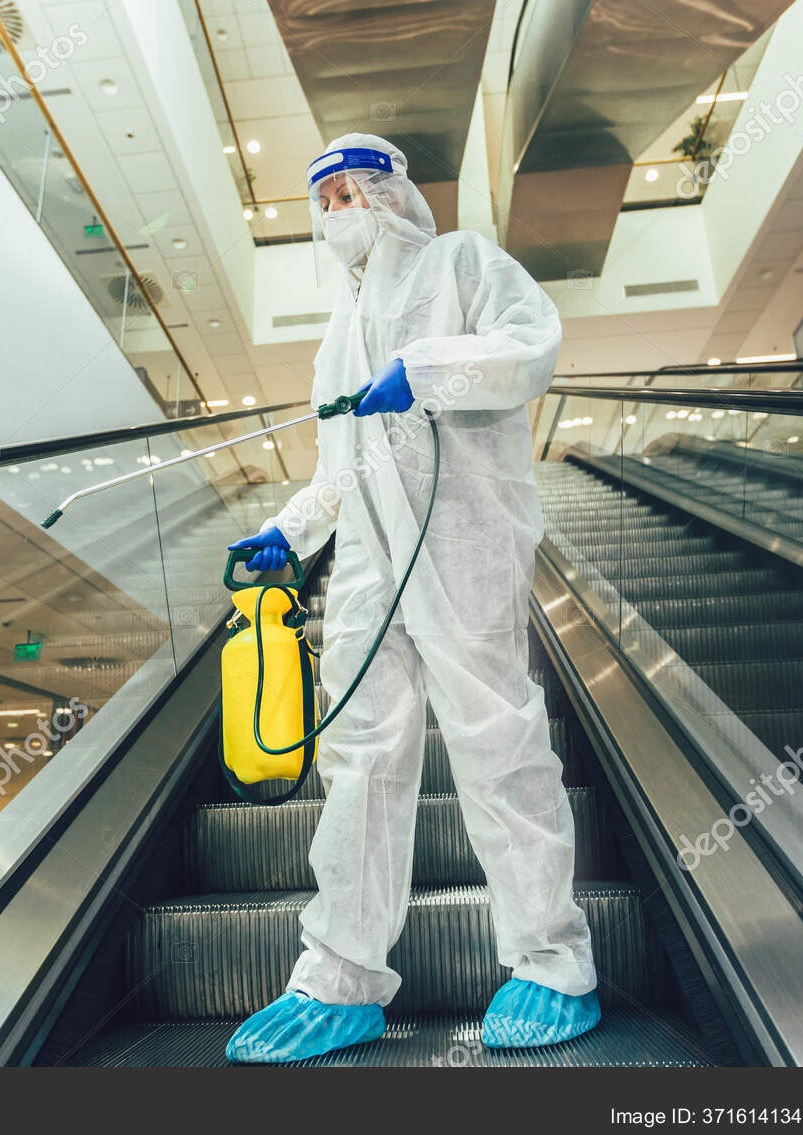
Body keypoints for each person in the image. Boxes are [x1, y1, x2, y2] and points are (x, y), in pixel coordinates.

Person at [224, 133, 598, 1063]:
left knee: (496, 739)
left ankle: (553, 962)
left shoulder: (464, 262)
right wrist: (292, 531)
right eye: (327, 197)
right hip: (368, 567)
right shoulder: (333, 342)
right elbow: (339, 469)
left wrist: (427, 371)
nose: (342, 209)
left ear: (394, 192)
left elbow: (530, 346)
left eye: (356, 189)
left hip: (465, 543)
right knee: (359, 756)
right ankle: (342, 976)